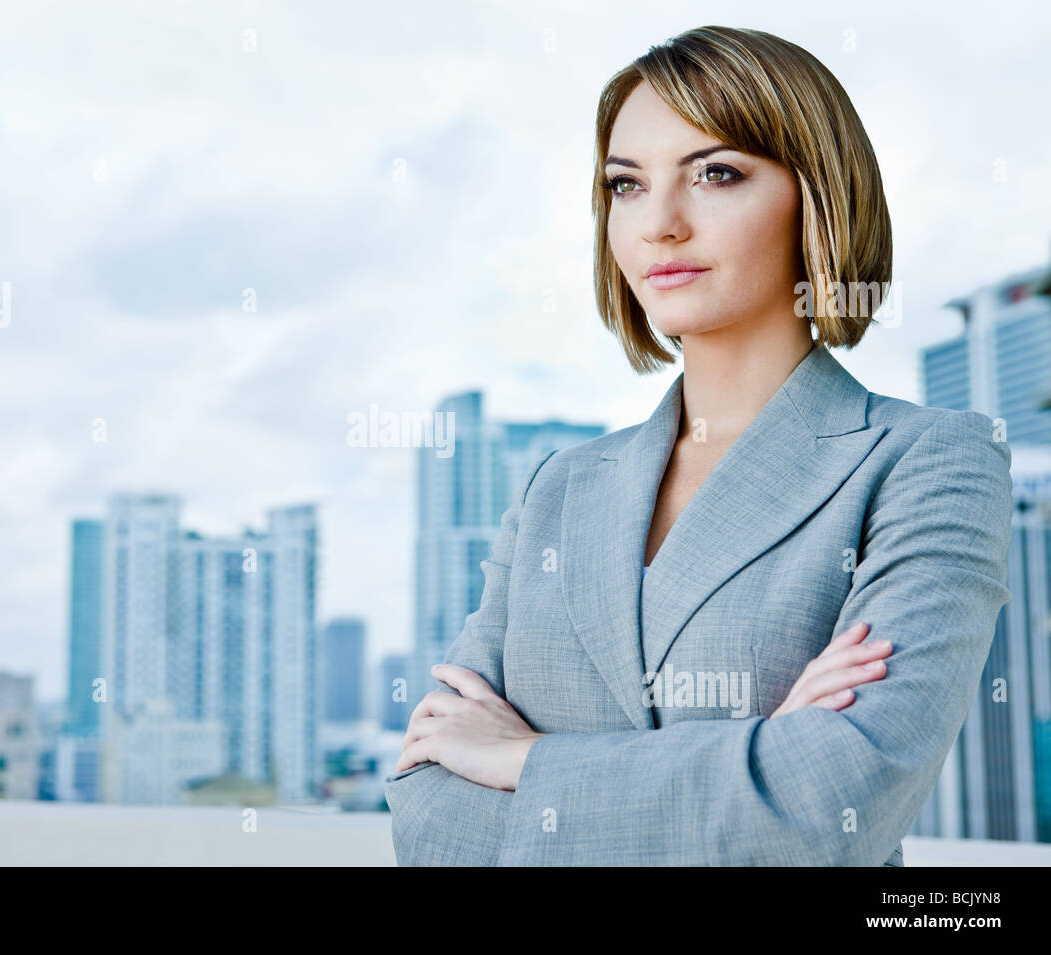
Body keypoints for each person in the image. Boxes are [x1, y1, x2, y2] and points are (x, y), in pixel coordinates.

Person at [385, 25, 1012, 866]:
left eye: (716, 174)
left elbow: (831, 803)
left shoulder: (926, 461)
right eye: (626, 185)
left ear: (817, 194)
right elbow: (428, 819)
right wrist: (760, 756)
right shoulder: (558, 488)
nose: (661, 225)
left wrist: (518, 760)